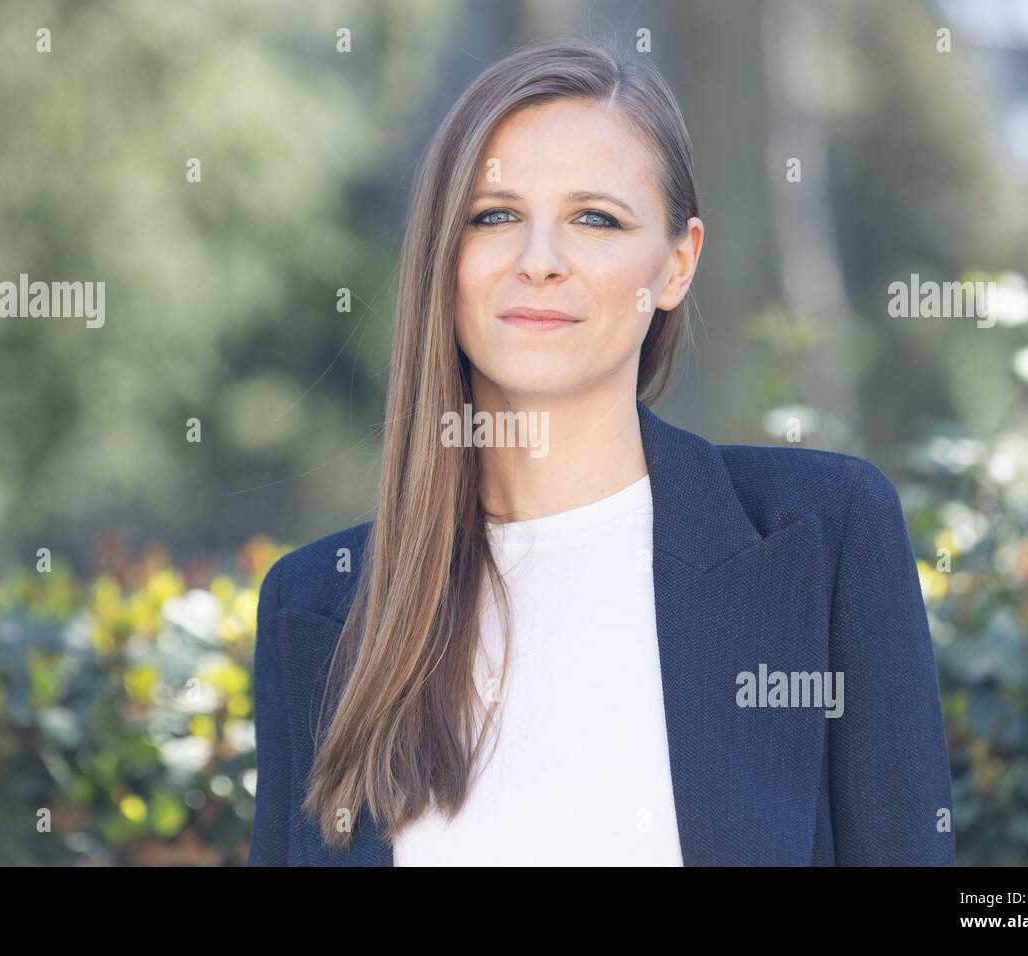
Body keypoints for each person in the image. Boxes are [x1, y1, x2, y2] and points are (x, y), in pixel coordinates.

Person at [247, 38, 955, 867]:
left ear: (676, 264)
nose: (539, 262)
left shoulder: (823, 539)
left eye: (596, 218)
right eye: (495, 216)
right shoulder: (316, 613)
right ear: (446, 256)